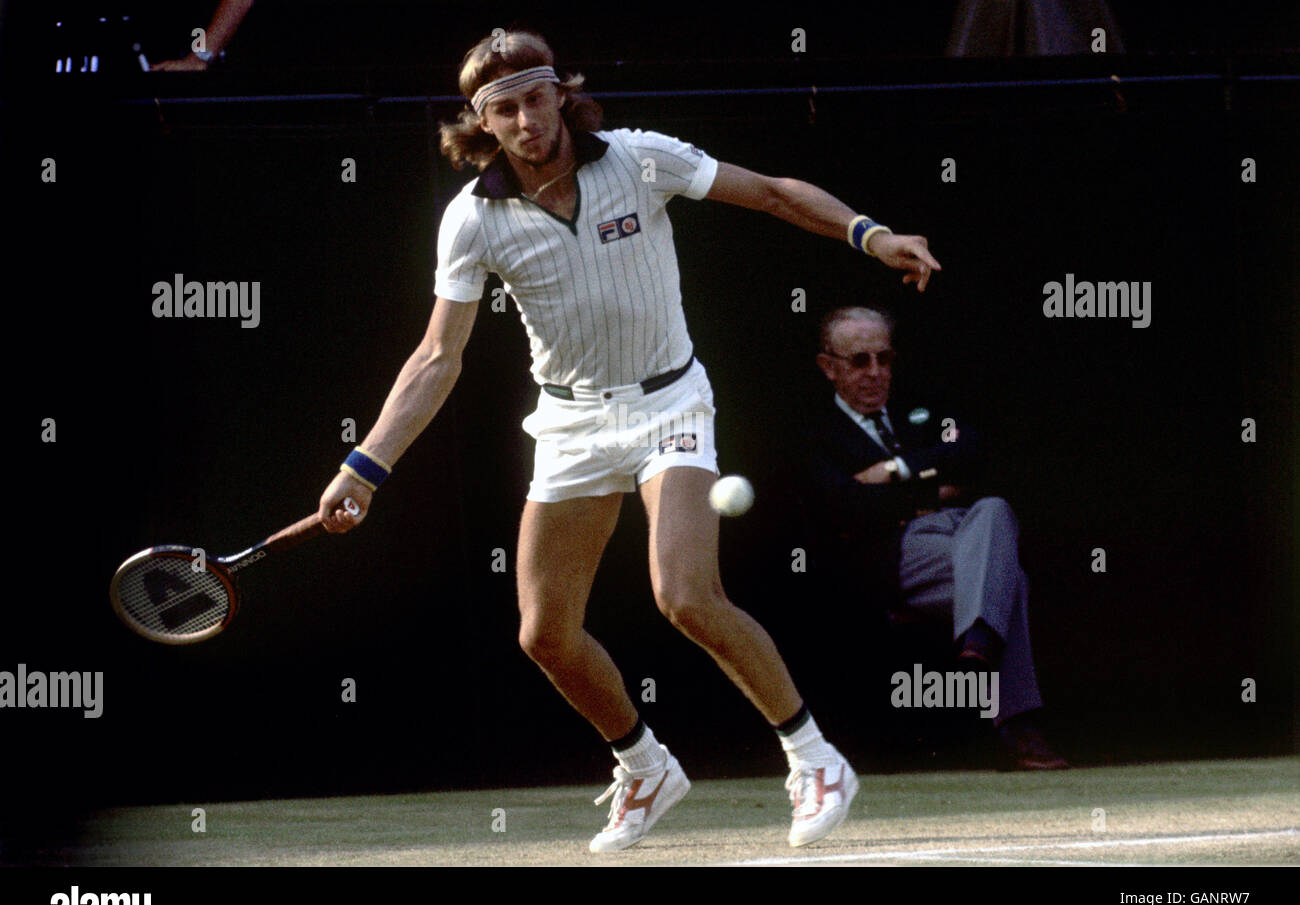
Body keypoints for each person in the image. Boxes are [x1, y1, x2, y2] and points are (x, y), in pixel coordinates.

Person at [316, 30, 944, 852]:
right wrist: (364, 468)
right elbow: (438, 357)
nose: (527, 119)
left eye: (537, 97)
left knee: (684, 595)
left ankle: (815, 759)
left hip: (670, 403)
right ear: (483, 125)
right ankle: (645, 766)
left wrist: (872, 234)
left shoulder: (642, 159)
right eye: (504, 108)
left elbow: (776, 195)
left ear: (561, 94)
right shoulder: (470, 221)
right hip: (570, 422)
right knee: (544, 633)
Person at [805, 305, 1068, 770]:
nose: (875, 373)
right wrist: (932, 489)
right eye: (859, 361)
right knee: (1010, 579)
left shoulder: (919, 406)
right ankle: (1016, 722)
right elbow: (844, 506)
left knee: (993, 508)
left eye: (884, 359)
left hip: (964, 531)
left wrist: (896, 470)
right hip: (895, 552)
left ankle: (978, 643)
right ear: (829, 366)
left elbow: (970, 452)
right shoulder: (815, 432)